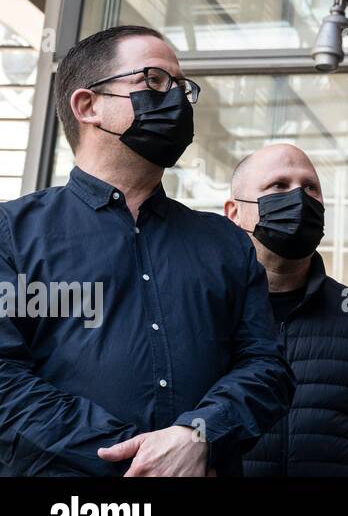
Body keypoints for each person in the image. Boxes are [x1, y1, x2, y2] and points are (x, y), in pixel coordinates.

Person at [0, 25, 293, 476]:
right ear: (88, 106)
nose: (175, 97)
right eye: (154, 81)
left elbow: (266, 369)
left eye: (181, 86)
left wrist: (198, 434)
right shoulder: (13, 234)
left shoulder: (226, 244)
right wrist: (137, 458)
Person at [225, 143, 348, 476]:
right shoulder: (206, 315)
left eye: (310, 187)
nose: (299, 198)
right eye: (278, 186)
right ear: (234, 212)